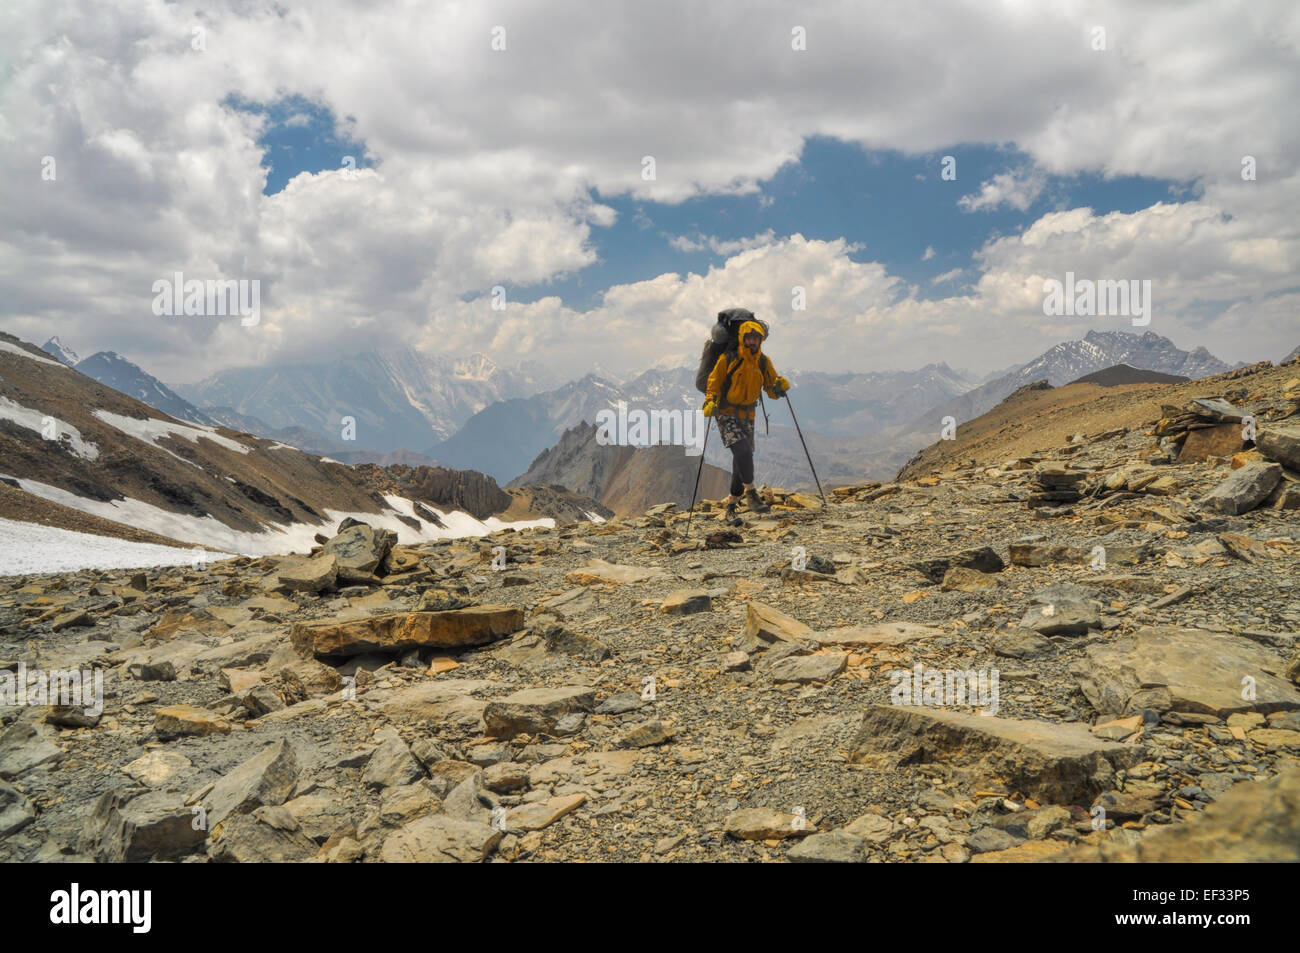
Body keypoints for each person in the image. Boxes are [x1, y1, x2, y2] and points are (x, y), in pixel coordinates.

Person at [702, 319, 790, 520]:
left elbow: (770, 388)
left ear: (760, 341)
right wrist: (710, 402)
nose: (752, 342)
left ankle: (732, 503)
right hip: (725, 412)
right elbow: (713, 383)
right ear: (742, 338)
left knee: (741, 458)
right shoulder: (728, 358)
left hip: (748, 414)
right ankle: (751, 494)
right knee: (742, 451)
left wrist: (779, 388)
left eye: (756, 338)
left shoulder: (763, 361)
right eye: (749, 338)